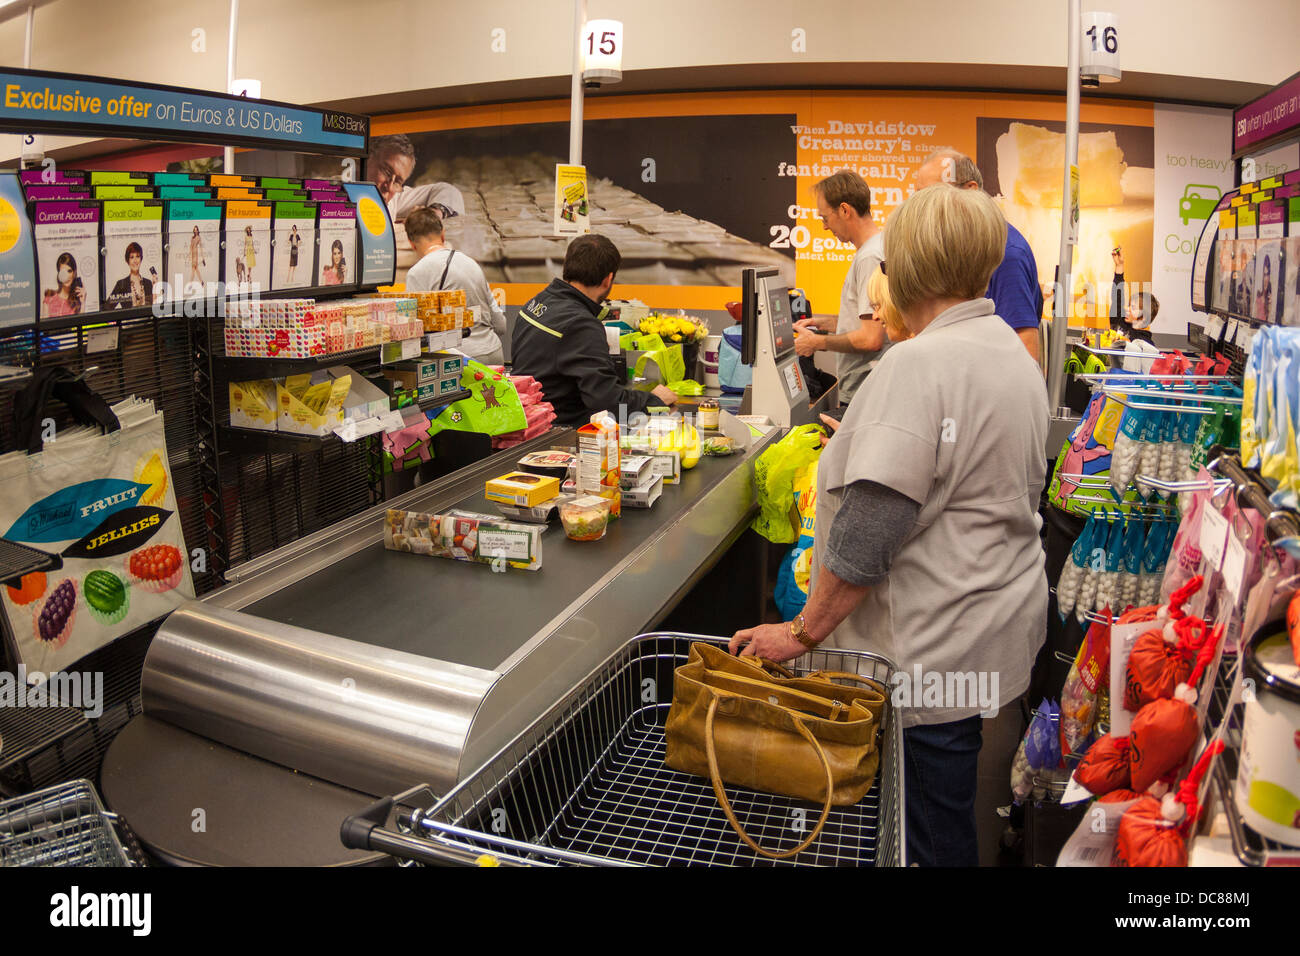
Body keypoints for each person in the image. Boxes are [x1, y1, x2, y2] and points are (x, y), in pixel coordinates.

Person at [729, 184, 1048, 867]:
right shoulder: (1004, 350)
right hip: (987, 631)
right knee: (946, 809)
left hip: (932, 648)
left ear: (903, 265)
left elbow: (870, 535)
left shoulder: (918, 362)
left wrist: (799, 632)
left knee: (926, 832)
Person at [511, 234, 678, 426]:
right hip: (560, 431)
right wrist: (653, 399)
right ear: (608, 280)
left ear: (567, 266)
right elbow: (607, 403)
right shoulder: (581, 324)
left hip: (527, 421)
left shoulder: (537, 302)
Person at [914, 149, 1043, 364]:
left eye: (932, 195)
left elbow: (1025, 354)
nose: (920, 207)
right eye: (918, 196)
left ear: (970, 190)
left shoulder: (1005, 254)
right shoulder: (962, 248)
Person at [792, 170, 887, 406]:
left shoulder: (870, 257)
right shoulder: (877, 247)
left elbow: (871, 338)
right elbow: (873, 321)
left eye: (825, 218)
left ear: (845, 210)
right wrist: (828, 324)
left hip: (864, 394)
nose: (824, 227)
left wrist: (817, 343)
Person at [404, 206, 507, 365]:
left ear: (411, 243)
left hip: (458, 361)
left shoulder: (417, 273)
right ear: (443, 234)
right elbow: (501, 325)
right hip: (494, 353)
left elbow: (414, 332)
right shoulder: (471, 263)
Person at [368, 133, 466, 223]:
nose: (389, 187)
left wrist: (432, 214)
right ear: (367, 159)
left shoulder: (393, 199)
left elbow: (448, 190)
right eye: (386, 172)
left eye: (398, 181)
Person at [1108, 247, 1158, 344]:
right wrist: (1119, 265)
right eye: (1129, 305)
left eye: (1133, 308)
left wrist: (1126, 342)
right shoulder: (1120, 321)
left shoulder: (1146, 342)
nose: (1127, 309)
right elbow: (1117, 297)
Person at [107, 242, 154, 309]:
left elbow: (155, 308)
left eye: (137, 256)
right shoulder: (121, 284)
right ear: (127, 260)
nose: (135, 261)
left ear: (141, 259)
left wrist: (155, 286)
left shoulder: (148, 283)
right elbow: (107, 308)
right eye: (132, 257)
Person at [43, 251, 85, 317]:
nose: (67, 276)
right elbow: (45, 326)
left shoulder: (77, 301)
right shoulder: (49, 297)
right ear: (59, 274)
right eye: (63, 272)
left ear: (74, 273)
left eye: (69, 271)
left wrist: (83, 303)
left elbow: (81, 324)